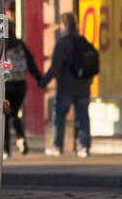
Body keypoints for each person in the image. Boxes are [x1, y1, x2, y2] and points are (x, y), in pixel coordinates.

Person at [40, 13, 94, 156]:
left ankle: (57, 146)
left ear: (63, 25)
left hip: (66, 87)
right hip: (83, 87)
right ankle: (85, 147)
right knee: (83, 117)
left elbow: (55, 67)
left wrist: (44, 82)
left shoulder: (63, 43)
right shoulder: (83, 41)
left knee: (59, 117)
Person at [2, 0, 43, 158]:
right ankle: (21, 138)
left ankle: (5, 149)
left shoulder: (2, 45)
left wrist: (5, 68)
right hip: (21, 86)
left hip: (7, 85)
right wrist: (40, 79)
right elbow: (30, 63)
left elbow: (3, 65)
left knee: (5, 116)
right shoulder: (19, 44)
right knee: (15, 113)